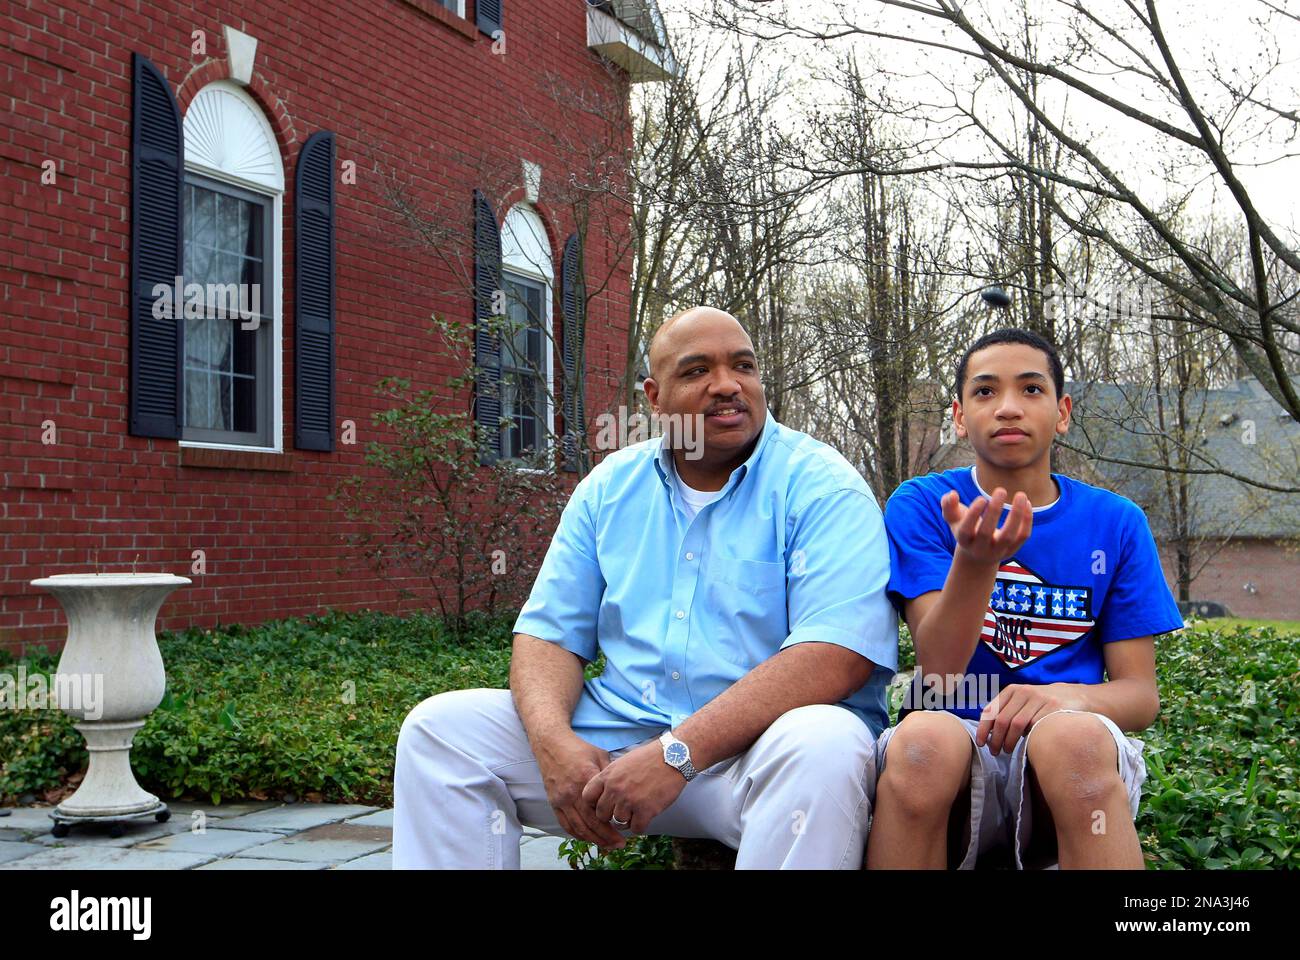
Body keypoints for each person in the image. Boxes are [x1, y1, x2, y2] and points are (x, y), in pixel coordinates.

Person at [393, 306, 897, 869]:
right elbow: (548, 635)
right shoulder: (611, 487)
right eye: (697, 370)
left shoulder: (822, 486)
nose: (727, 385)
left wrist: (676, 754)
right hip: (619, 738)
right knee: (440, 733)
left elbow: (836, 656)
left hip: (760, 758)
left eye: (743, 366)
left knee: (827, 742)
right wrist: (552, 743)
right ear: (655, 398)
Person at [866, 327, 1183, 870]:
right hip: (953, 741)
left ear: (1062, 412)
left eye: (1031, 389)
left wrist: (1065, 697)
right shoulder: (925, 504)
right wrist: (976, 560)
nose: (1009, 407)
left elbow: (1140, 695)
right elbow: (939, 669)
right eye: (985, 391)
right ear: (960, 416)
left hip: (1066, 741)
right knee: (922, 744)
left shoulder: (1117, 522)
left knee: (1075, 744)